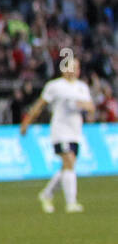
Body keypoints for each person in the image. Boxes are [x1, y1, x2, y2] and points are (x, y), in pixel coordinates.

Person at [19, 57, 94, 213]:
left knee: (67, 166)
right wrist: (27, 122)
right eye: (73, 67)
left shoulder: (82, 87)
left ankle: (47, 194)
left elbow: (91, 108)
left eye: (78, 67)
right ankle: (71, 203)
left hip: (76, 132)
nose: (76, 70)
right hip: (60, 131)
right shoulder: (55, 86)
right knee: (68, 162)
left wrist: (85, 106)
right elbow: (40, 105)